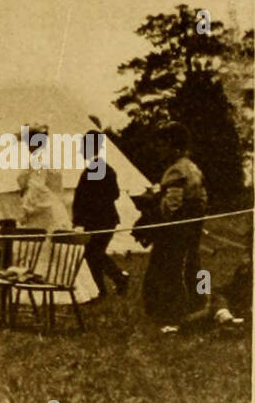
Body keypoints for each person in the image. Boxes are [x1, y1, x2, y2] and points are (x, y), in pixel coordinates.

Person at [14, 124, 99, 304]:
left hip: (44, 211)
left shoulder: (38, 160)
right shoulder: (47, 158)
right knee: (56, 246)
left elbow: (37, 189)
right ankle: (71, 286)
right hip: (53, 209)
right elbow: (55, 189)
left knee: (45, 246)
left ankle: (47, 289)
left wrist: (27, 209)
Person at [136, 122, 207, 333]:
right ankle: (197, 309)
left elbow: (171, 207)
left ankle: (174, 316)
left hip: (176, 232)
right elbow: (202, 199)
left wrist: (151, 202)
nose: (158, 150)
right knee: (191, 267)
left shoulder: (176, 170)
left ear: (171, 144)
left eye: (161, 144)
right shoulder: (192, 167)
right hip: (191, 228)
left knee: (168, 273)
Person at [72, 130, 129, 296]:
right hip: (101, 219)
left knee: (93, 254)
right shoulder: (98, 167)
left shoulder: (98, 168)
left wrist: (86, 215)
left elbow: (107, 194)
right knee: (93, 254)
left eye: (84, 146)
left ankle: (112, 282)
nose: (81, 150)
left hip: (100, 220)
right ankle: (109, 284)